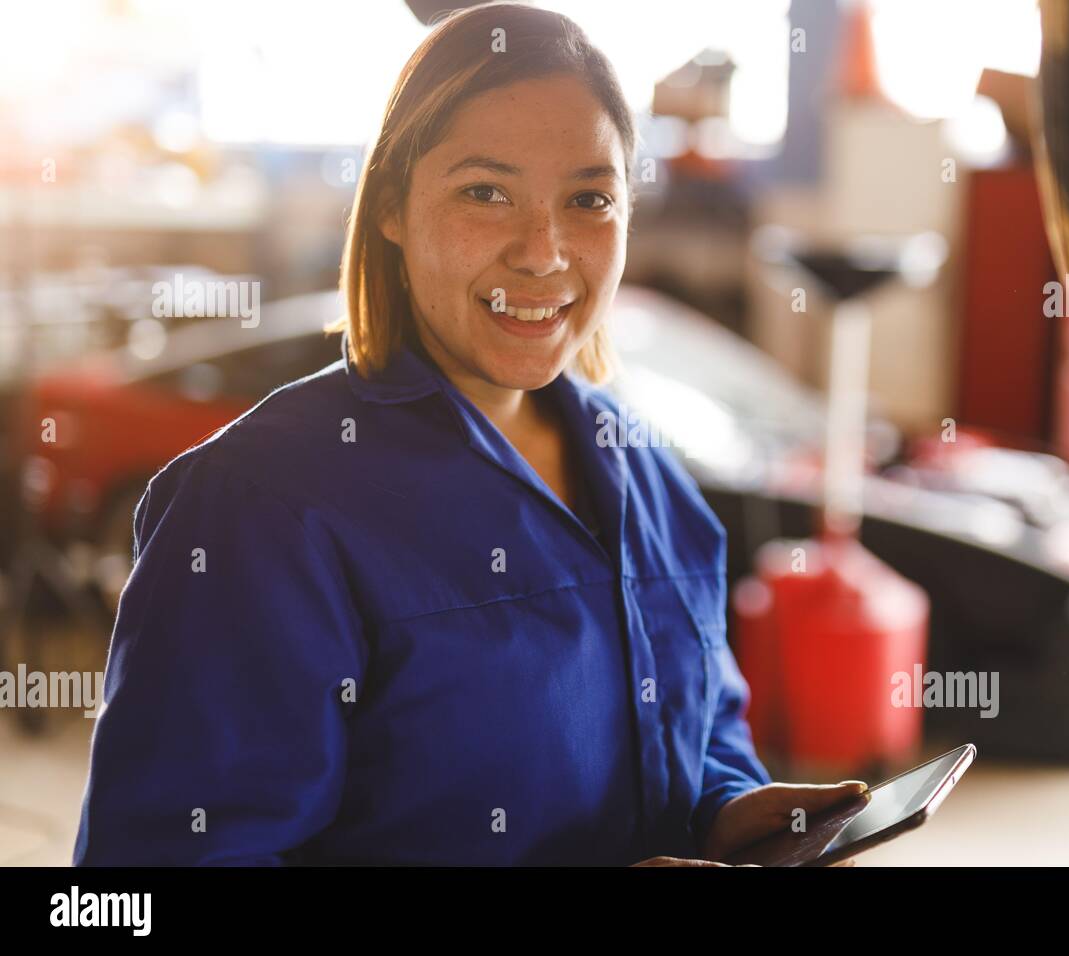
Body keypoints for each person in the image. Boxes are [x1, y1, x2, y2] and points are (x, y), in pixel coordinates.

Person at [73, 1, 866, 866]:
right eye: (485, 193)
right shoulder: (257, 508)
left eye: (589, 198)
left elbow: (702, 730)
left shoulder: (644, 470)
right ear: (388, 208)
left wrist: (726, 811)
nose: (544, 252)